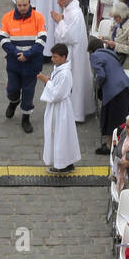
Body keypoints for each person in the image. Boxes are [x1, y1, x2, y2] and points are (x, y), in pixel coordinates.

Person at [39, 42, 81, 173]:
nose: (52, 59)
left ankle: (62, 165)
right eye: (52, 56)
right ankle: (66, 162)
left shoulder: (65, 73)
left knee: (60, 135)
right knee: (62, 135)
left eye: (55, 57)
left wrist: (46, 82)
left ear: (63, 57)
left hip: (61, 108)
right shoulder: (59, 69)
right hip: (58, 108)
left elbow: (57, 94)